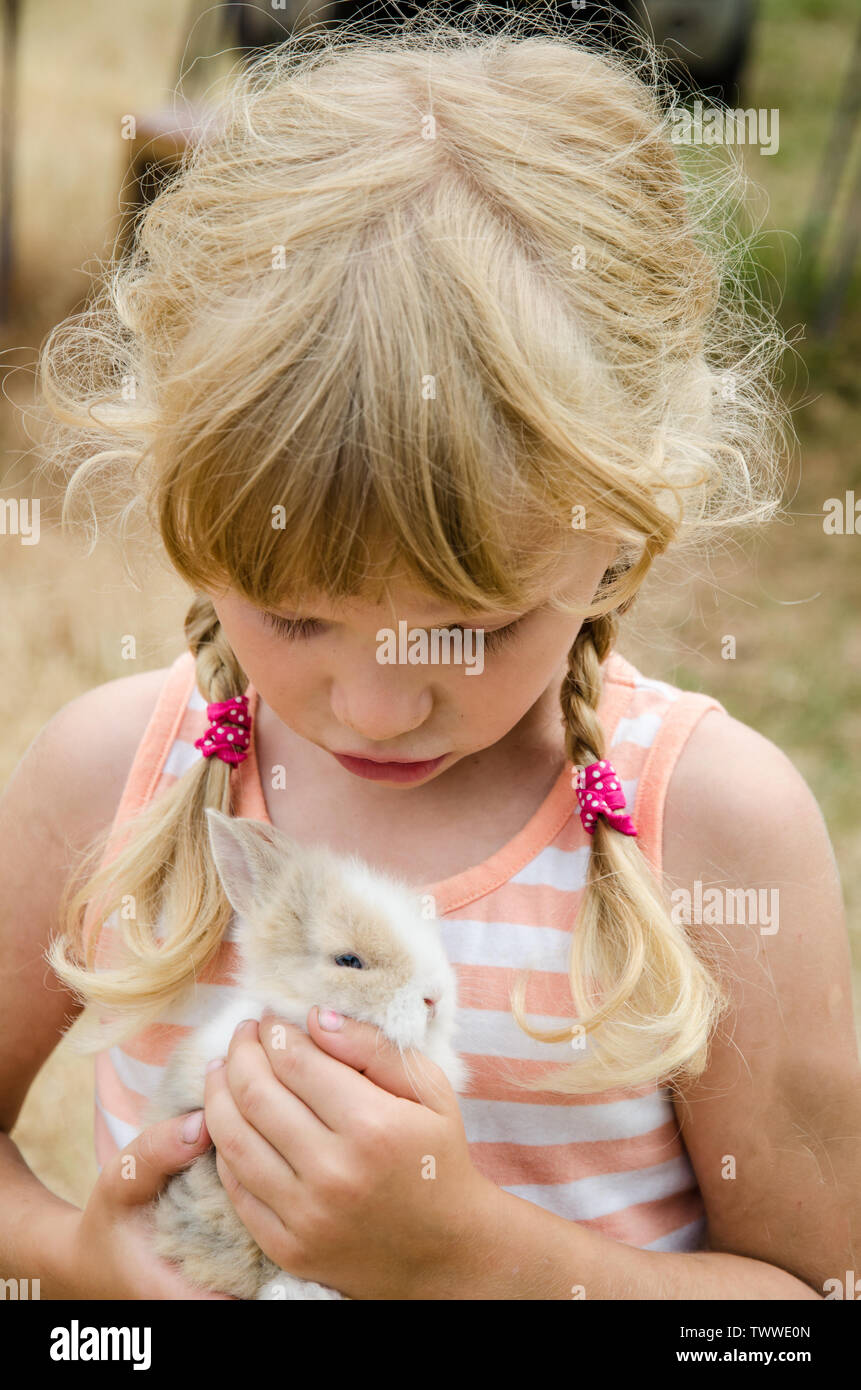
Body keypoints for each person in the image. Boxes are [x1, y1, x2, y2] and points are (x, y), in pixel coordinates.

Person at [2, 11, 856, 1299]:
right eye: (293, 615)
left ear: (619, 534)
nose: (374, 702)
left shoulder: (718, 830)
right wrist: (77, 1252)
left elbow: (807, 1303)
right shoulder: (108, 777)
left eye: (469, 626)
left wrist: (479, 1259)